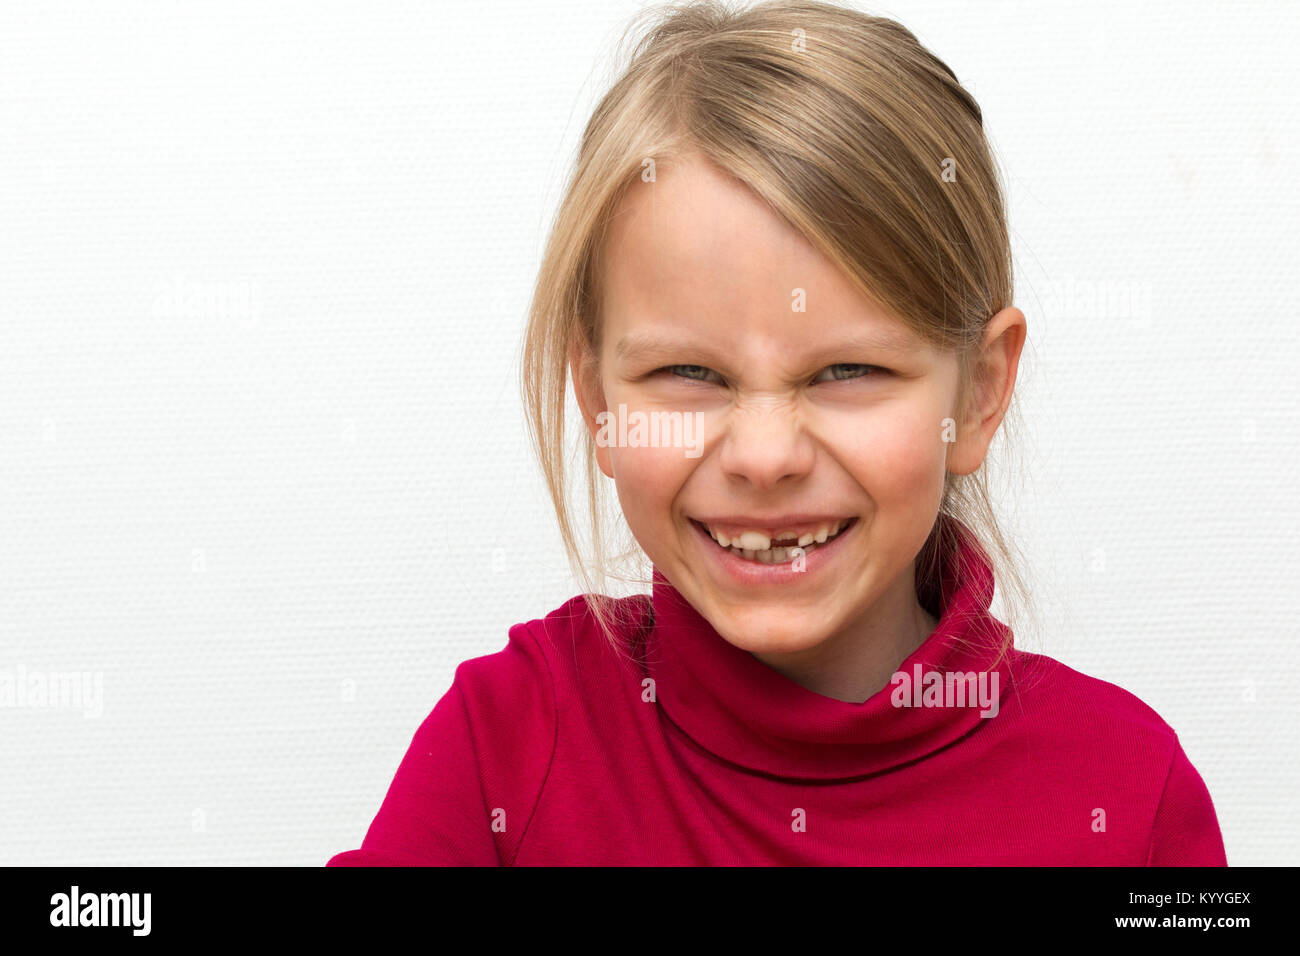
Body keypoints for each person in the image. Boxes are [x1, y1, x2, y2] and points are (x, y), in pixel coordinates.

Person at [328, 0, 1226, 866]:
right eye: (689, 374)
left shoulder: (1129, 794)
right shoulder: (508, 741)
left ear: (980, 395)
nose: (764, 457)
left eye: (847, 373)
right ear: (598, 400)